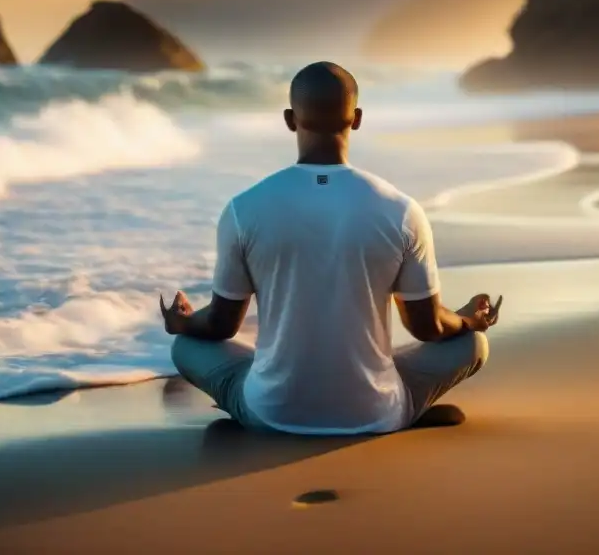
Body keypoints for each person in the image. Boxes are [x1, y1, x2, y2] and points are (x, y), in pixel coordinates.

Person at [159, 61, 501, 435]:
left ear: (290, 119)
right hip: (375, 413)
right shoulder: (401, 210)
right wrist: (469, 319)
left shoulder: (244, 209)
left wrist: (184, 321)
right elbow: (428, 326)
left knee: (184, 348)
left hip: (272, 413)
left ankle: (258, 402)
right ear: (356, 118)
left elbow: (222, 325)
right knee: (473, 345)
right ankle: (402, 405)